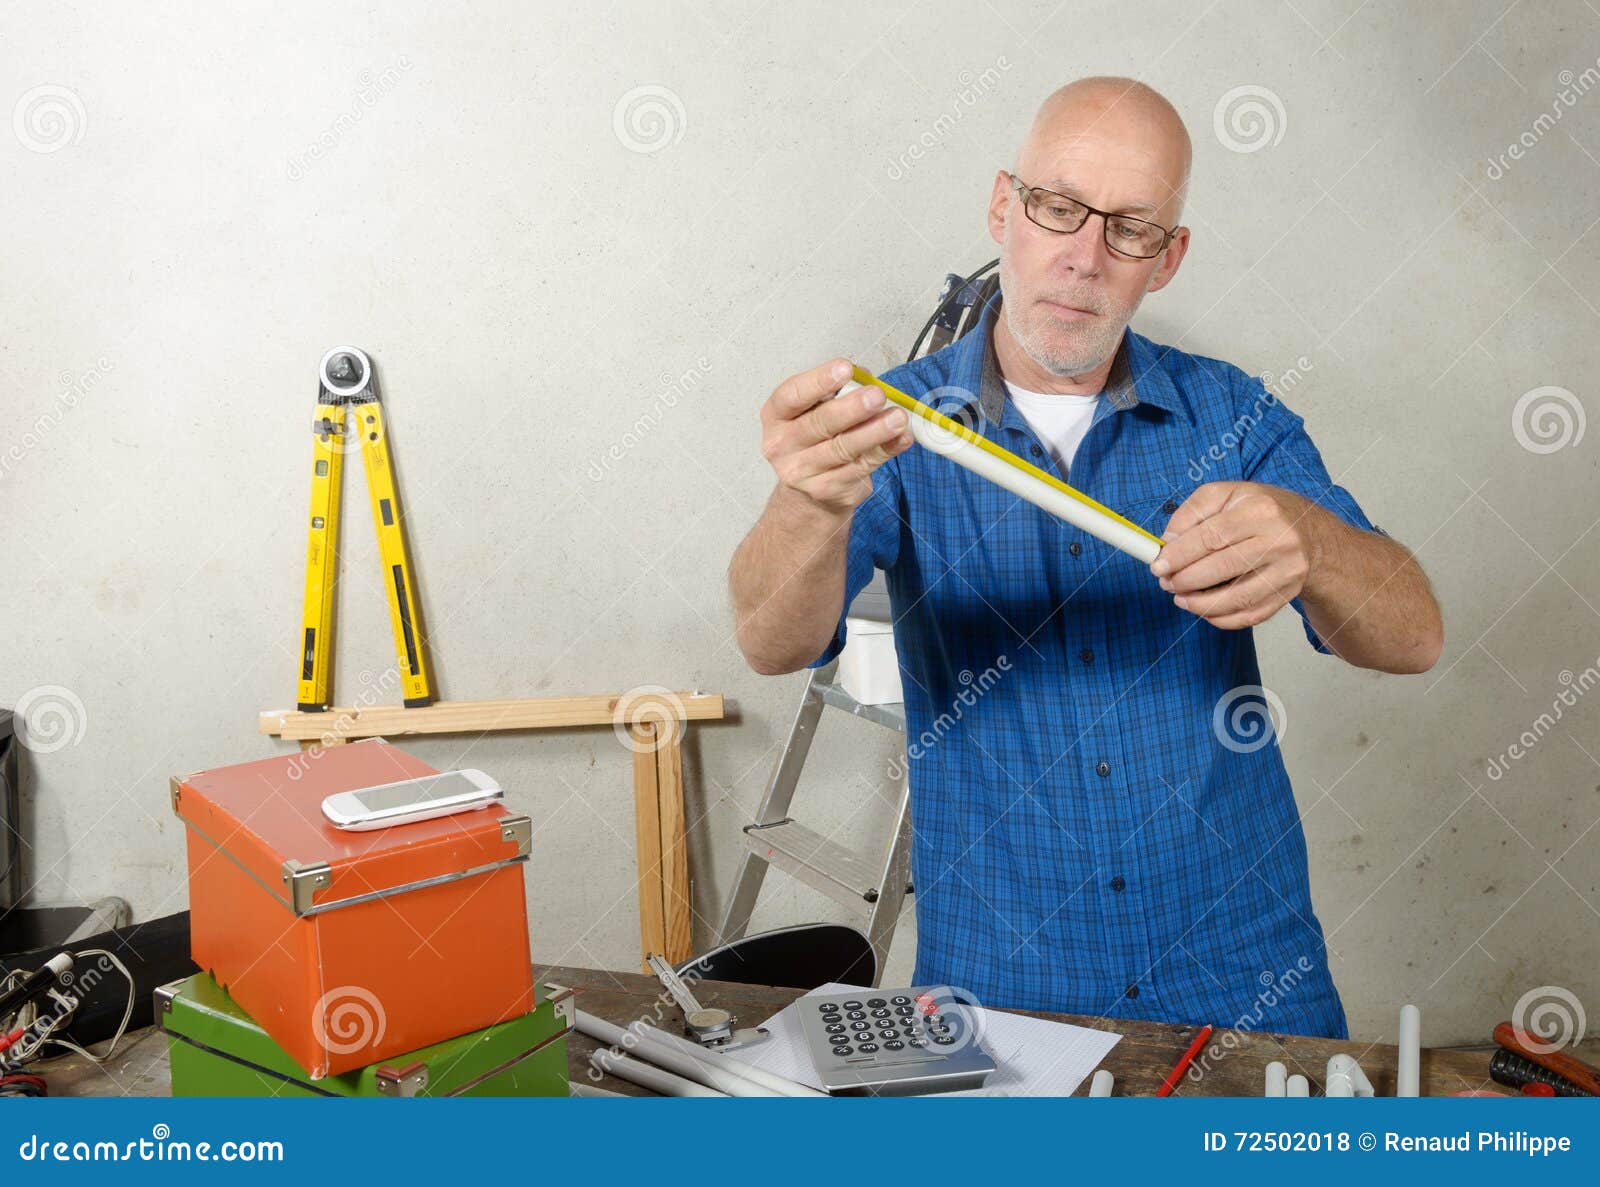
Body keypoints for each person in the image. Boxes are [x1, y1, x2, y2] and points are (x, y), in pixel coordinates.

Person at [727, 77, 1442, 1037]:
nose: (1084, 257)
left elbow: (1414, 638)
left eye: (1131, 228)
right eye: (1058, 207)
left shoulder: (1230, 415)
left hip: (1244, 977)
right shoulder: (897, 422)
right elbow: (769, 639)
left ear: (1169, 258)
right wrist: (809, 503)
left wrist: (1311, 542)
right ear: (1002, 206)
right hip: (1005, 987)